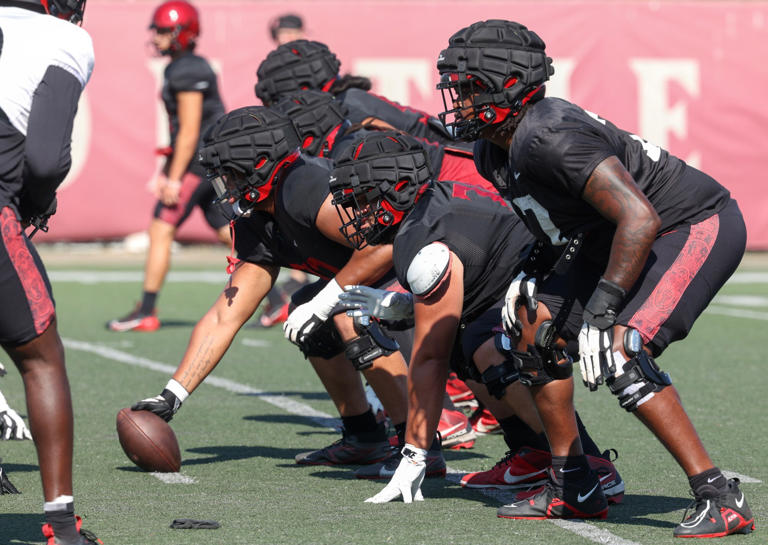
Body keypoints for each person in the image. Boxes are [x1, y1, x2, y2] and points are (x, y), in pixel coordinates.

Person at [435, 19, 754, 537]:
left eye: (470, 87)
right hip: (618, 231)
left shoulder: (547, 136)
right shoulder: (495, 146)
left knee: (621, 349)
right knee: (531, 329)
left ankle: (720, 495)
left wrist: (604, 309)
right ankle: (575, 485)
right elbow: (563, 223)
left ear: (509, 84)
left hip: (689, 222)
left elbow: (640, 216)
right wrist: (534, 272)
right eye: (457, 88)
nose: (459, 100)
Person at [129, 105, 447, 481]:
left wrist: (329, 299)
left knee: (348, 312)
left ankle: (420, 446)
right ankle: (364, 435)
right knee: (308, 309)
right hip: (391, 286)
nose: (224, 185)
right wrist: (172, 396)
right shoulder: (258, 217)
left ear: (257, 166)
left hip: (434, 276)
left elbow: (387, 245)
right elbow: (224, 316)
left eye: (229, 175)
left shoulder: (304, 189)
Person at [329, 130, 622, 506]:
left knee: (487, 344)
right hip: (533, 280)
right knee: (465, 341)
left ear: (396, 188)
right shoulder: (428, 211)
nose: (358, 212)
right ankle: (532, 452)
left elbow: (428, 358)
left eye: (365, 200)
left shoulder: (421, 237)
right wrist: (407, 306)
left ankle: (588, 465)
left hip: (568, 283)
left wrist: (414, 452)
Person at [0, 0, 101, 542]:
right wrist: (34, 200)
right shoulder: (61, 37)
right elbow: (43, 159)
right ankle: (61, 524)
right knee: (40, 357)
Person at [107, 0, 228, 332]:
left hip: (198, 163)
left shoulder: (187, 69)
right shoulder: (184, 66)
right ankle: (277, 301)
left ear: (182, 33)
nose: (157, 37)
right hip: (207, 162)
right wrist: (167, 170)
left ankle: (146, 309)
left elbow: (189, 130)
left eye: (163, 31)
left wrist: (174, 179)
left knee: (160, 229)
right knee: (229, 234)